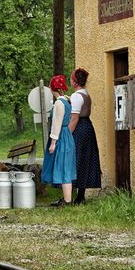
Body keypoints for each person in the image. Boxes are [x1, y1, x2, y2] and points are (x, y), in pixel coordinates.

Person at [41, 75, 76, 207]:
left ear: (52, 89)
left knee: (63, 167)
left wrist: (53, 143)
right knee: (65, 166)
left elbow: (57, 123)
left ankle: (67, 201)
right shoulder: (67, 101)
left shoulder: (59, 104)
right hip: (67, 135)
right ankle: (67, 198)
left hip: (61, 136)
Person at [68, 67, 102, 204]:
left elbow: (74, 118)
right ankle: (80, 196)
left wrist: (67, 135)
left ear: (75, 82)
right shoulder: (86, 94)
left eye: (71, 79)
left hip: (79, 128)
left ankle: (69, 196)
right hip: (88, 127)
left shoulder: (76, 96)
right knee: (84, 160)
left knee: (74, 160)